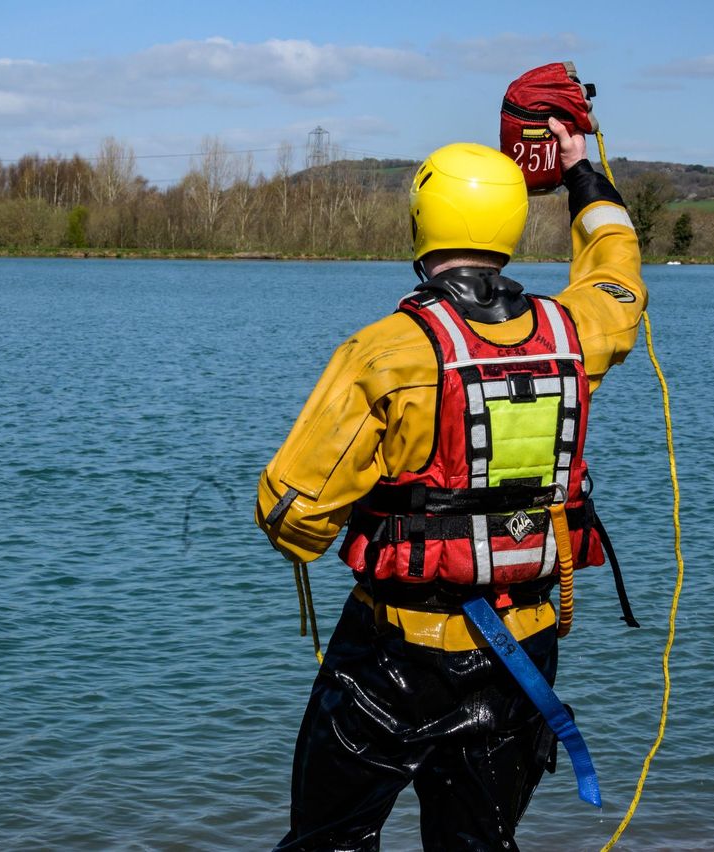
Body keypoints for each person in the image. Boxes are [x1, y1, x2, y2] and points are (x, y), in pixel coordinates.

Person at [255, 116, 646, 851]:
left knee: (328, 842)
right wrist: (583, 176)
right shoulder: (580, 333)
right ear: (508, 225)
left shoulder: (386, 352)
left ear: (421, 224)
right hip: (524, 653)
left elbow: (294, 511)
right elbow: (617, 276)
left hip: (393, 658)